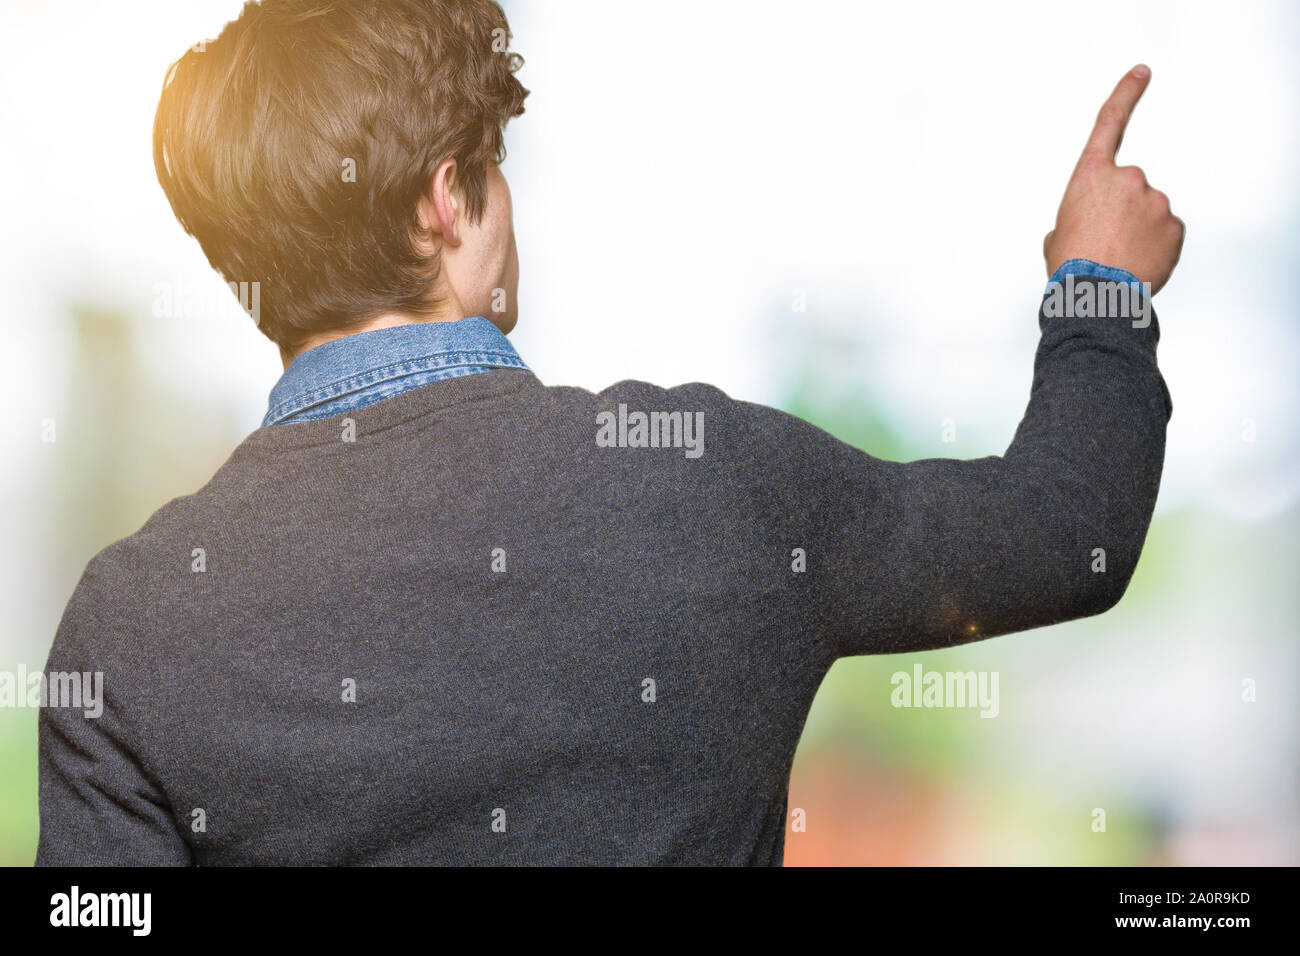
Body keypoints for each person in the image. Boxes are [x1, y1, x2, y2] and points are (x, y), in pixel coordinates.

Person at [36, 0, 1182, 865]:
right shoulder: (713, 489)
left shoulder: (129, 626)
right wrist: (1098, 286)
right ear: (447, 200)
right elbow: (1066, 525)